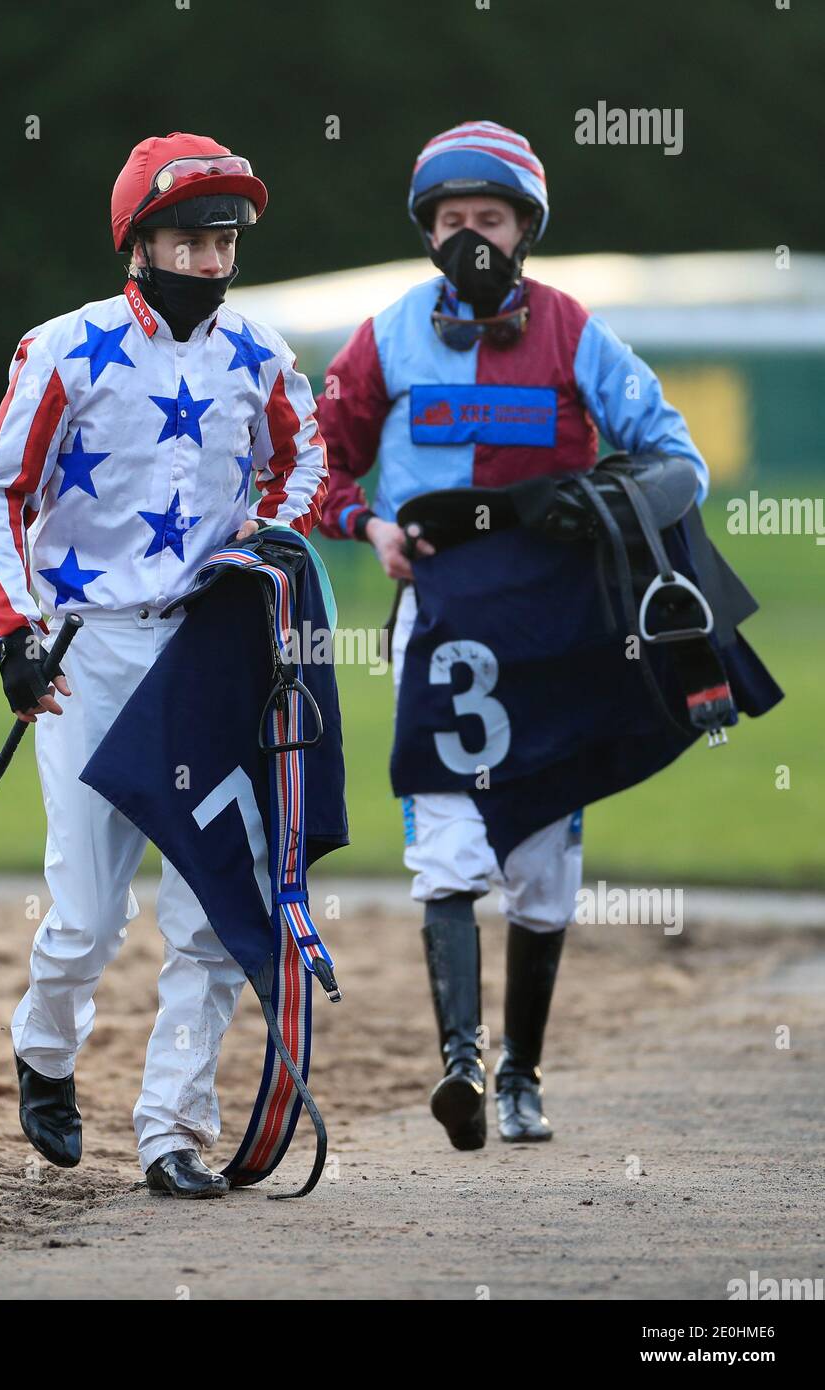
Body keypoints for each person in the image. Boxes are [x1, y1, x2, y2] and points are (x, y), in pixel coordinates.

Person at [317, 119, 708, 1150]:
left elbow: (678, 461)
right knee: (445, 846)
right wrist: (366, 524)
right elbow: (318, 469)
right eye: (450, 221)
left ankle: (522, 1071)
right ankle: (459, 1062)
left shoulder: (575, 331)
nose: (469, 236)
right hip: (438, 623)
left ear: (524, 228)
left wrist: (609, 501)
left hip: (559, 627)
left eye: (488, 218)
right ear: (425, 232)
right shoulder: (382, 336)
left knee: (541, 865)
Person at [0, 131, 328, 1196]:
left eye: (225, 239)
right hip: (85, 651)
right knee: (86, 912)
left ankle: (173, 1129)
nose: (211, 259)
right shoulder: (62, 349)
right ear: (139, 242)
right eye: (190, 238)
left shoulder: (262, 355)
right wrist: (14, 634)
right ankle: (45, 1048)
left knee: (209, 909)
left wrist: (254, 555)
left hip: (207, 652)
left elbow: (306, 470)